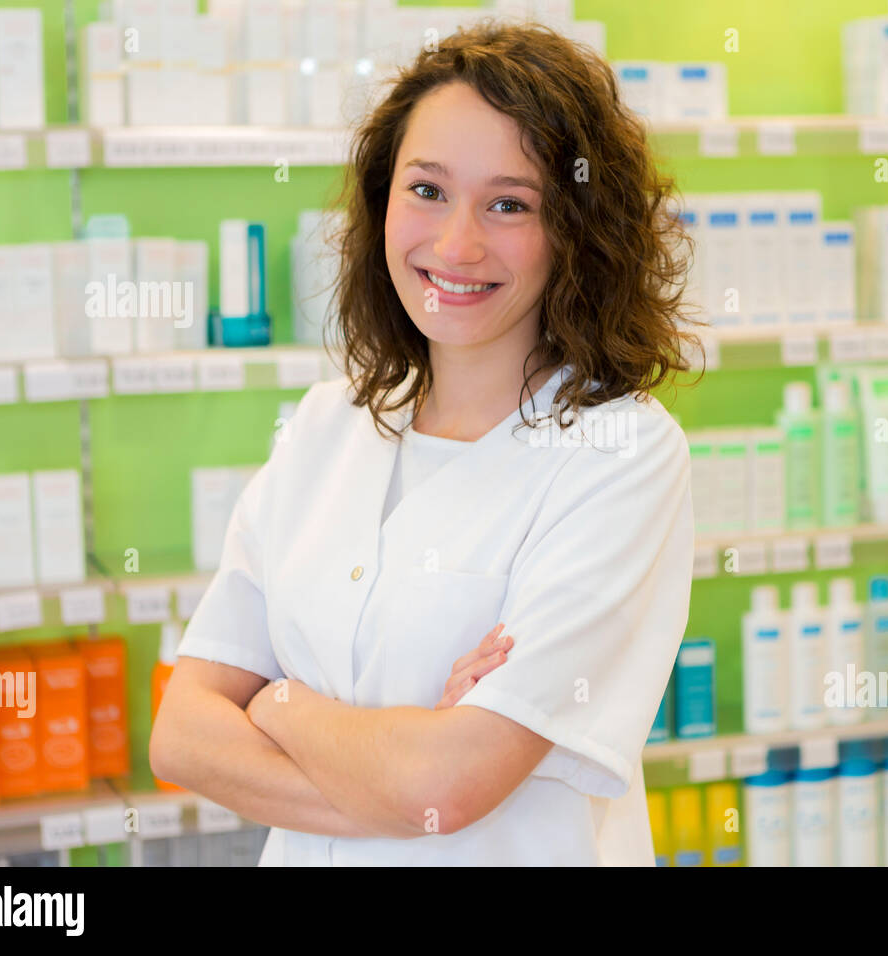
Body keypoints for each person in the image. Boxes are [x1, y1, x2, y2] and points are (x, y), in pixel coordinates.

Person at [149, 19, 700, 866]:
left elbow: (447, 788)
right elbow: (182, 736)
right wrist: (405, 773)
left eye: (510, 204)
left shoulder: (620, 452)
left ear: (578, 233)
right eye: (428, 190)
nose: (455, 245)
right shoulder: (324, 428)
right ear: (382, 200)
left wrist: (278, 703)